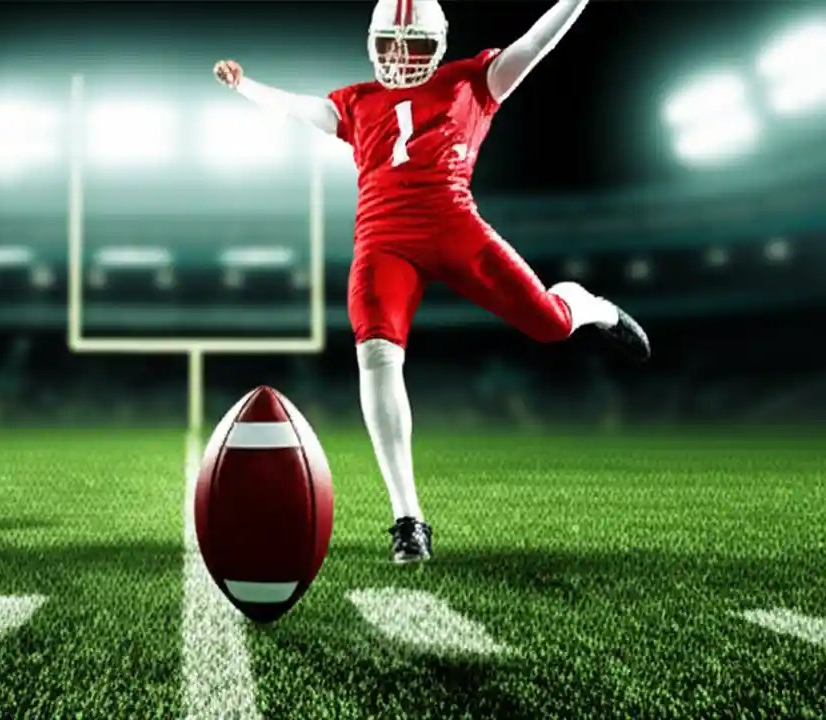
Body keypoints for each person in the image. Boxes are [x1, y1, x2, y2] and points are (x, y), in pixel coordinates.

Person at [213, 0, 650, 563]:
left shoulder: (471, 82)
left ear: (438, 47)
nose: (398, 57)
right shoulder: (357, 101)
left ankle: (590, 307)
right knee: (375, 351)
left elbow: (535, 44)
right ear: (372, 44)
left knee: (550, 323)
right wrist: (246, 85)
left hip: (453, 224)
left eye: (413, 45)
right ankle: (407, 518)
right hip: (383, 238)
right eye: (389, 45)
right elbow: (301, 110)